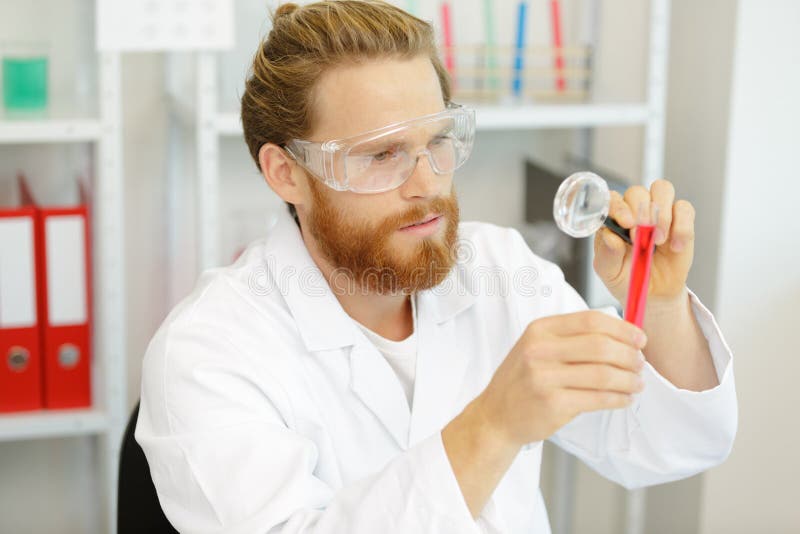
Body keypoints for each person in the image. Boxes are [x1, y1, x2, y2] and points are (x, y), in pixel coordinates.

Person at [135, 2, 737, 533]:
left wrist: (659, 307)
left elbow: (665, 443)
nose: (426, 184)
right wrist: (493, 425)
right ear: (286, 172)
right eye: (381, 155)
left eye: (437, 143)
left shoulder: (499, 271)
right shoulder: (208, 354)